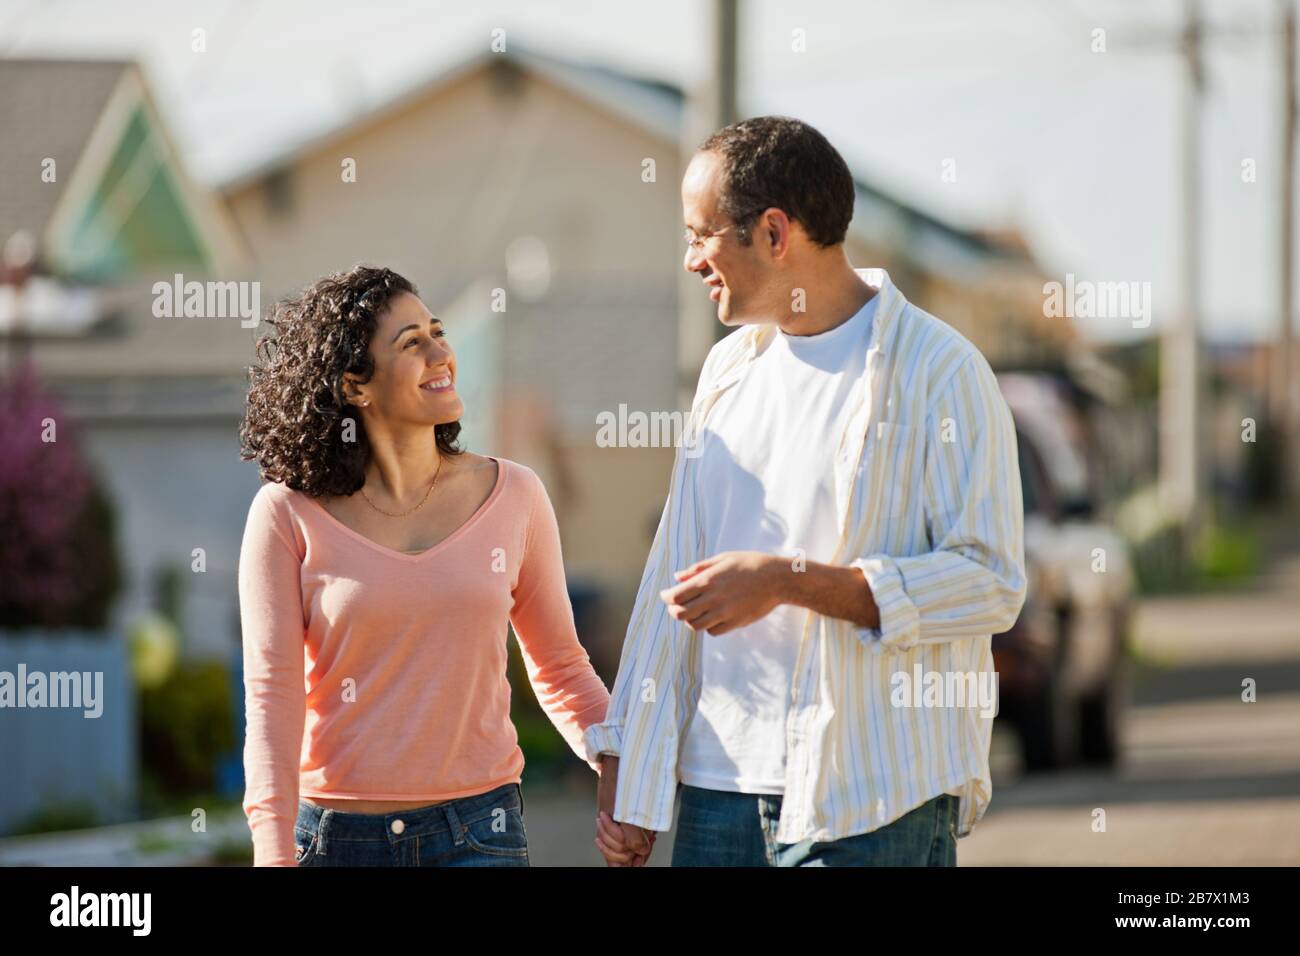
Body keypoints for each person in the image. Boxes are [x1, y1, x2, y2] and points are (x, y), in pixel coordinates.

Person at [588, 116, 1027, 867]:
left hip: (870, 802)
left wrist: (787, 582)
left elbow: (990, 583)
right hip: (715, 797)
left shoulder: (939, 373)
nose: (691, 260)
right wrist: (628, 755)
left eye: (701, 235)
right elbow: (673, 572)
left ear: (773, 232)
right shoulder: (727, 374)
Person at [237, 264, 609, 866]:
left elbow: (563, 669)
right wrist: (273, 855)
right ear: (356, 384)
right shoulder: (286, 514)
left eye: (438, 332)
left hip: (479, 833)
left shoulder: (515, 495)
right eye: (412, 343)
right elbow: (273, 699)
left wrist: (622, 772)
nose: (442, 353)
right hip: (335, 843)